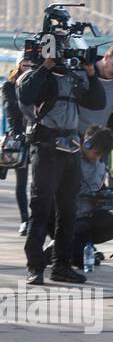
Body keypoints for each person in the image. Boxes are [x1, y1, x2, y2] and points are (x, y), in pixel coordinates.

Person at [18, 50, 105, 284]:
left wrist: (91, 73)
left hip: (71, 149)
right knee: (40, 208)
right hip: (46, 148)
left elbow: (98, 102)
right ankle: (35, 267)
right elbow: (26, 96)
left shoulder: (74, 77)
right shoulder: (35, 76)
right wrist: (45, 66)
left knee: (68, 212)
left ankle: (61, 266)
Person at [74, 125, 113, 259]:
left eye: (102, 154)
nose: (98, 157)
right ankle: (67, 248)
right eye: (97, 153)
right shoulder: (72, 161)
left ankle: (84, 245)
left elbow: (99, 188)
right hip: (70, 213)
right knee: (81, 259)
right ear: (86, 144)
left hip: (89, 211)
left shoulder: (100, 164)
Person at [2, 56, 35, 235]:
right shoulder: (9, 85)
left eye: (31, 64)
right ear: (19, 64)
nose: (28, 67)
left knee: (37, 182)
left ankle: (37, 219)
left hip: (36, 134)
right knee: (21, 181)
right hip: (19, 137)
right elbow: (10, 109)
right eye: (25, 64)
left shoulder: (37, 82)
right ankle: (24, 219)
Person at [78, 43, 113, 135]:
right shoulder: (81, 70)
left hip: (98, 140)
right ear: (106, 57)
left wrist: (110, 139)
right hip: (72, 135)